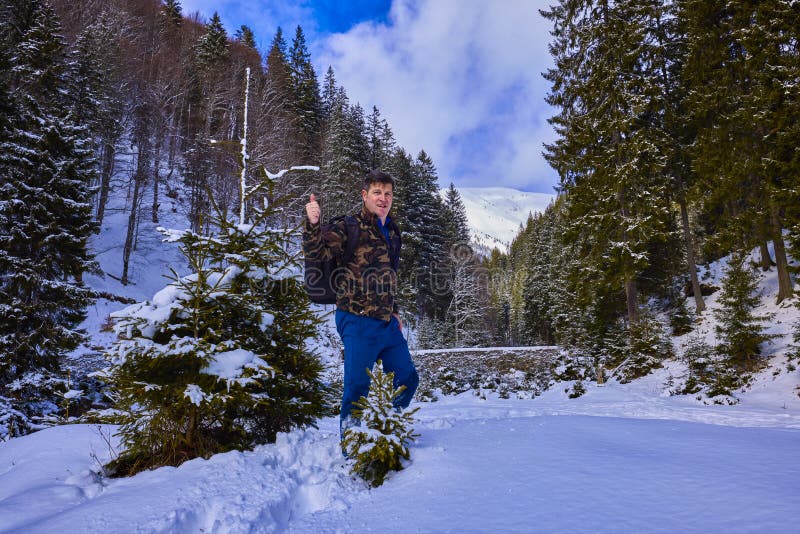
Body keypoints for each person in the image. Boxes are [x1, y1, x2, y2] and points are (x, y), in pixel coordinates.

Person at [303, 170, 419, 442]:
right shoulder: (349, 226)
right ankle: (353, 449)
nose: (383, 198)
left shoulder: (392, 231)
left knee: (407, 379)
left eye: (388, 193)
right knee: (357, 388)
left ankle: (386, 431)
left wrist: (394, 310)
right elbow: (317, 251)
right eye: (377, 192)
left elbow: (390, 274)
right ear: (364, 195)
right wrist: (312, 223)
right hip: (356, 319)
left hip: (386, 321)